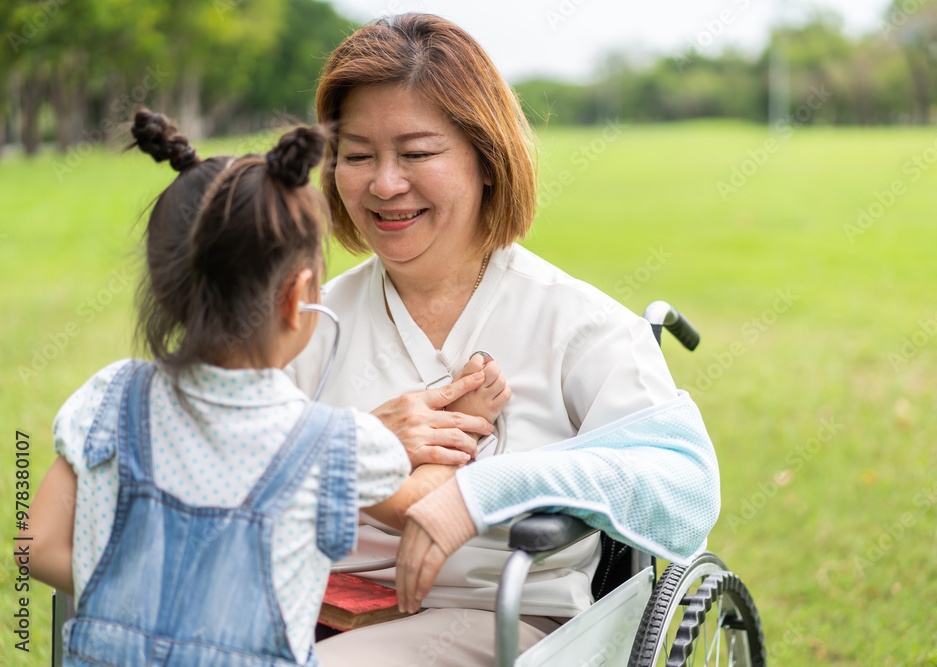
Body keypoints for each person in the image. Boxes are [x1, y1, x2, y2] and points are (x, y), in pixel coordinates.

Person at [287, 13, 721, 666]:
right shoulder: (308, 320)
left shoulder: (576, 324)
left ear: (486, 160)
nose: (383, 183)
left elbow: (685, 491)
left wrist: (480, 493)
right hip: (311, 606)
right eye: (357, 155)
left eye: (416, 152)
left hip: (505, 623)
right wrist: (357, 443)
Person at [18, 110, 459, 666]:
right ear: (299, 295)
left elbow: (34, 546)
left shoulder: (111, 394)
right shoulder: (332, 441)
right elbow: (421, 507)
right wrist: (458, 432)